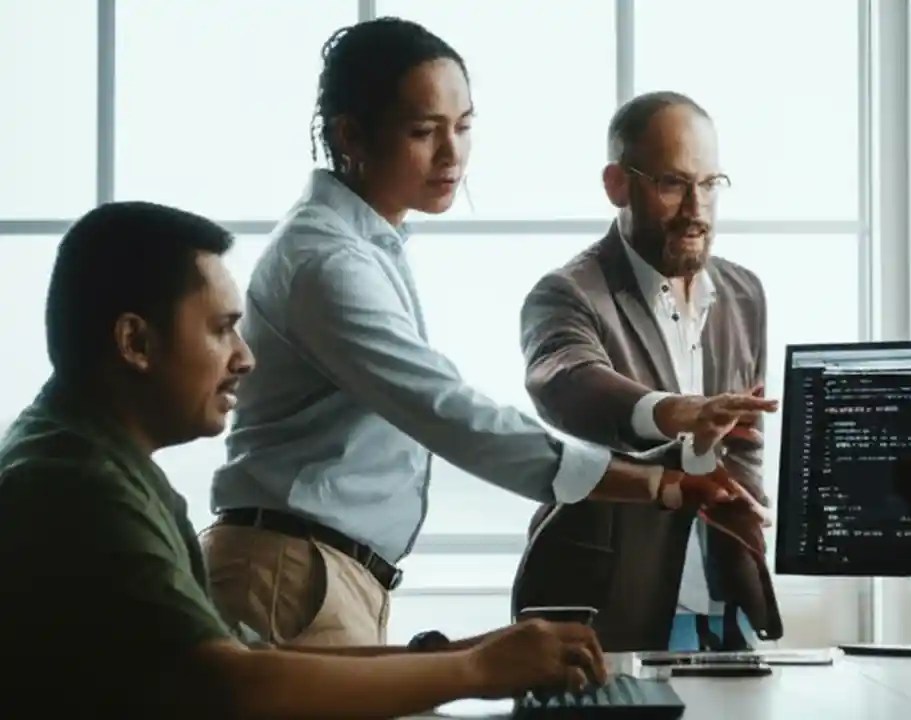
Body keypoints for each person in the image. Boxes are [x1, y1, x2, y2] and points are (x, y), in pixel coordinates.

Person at [202, 17, 770, 648]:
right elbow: (453, 415)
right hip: (292, 573)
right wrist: (658, 483)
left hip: (323, 573)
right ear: (350, 135)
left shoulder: (365, 248)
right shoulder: (328, 262)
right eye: (424, 132)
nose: (453, 155)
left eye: (464, 126)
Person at [0, 201, 613, 718]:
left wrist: (470, 654)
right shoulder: (78, 487)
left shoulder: (98, 459)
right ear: (135, 342)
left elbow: (253, 656)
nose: (245, 358)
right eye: (221, 330)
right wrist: (475, 669)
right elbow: (231, 684)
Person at [513, 91, 784, 651]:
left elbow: (746, 444)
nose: (695, 208)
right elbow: (567, 379)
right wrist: (676, 411)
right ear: (617, 185)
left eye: (709, 185)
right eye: (671, 184)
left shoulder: (743, 294)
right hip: (606, 609)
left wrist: (754, 524)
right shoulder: (567, 294)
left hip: (727, 604)